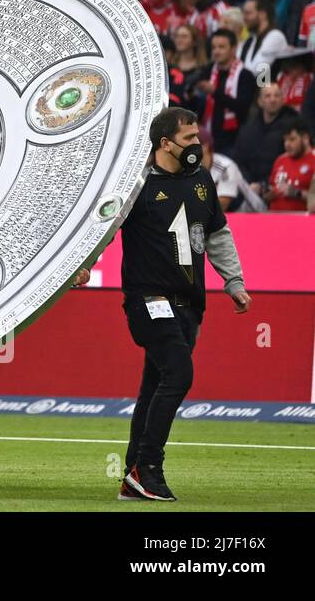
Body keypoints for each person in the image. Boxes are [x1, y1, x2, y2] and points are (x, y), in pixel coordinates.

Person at [104, 107, 250, 501]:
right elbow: (104, 229)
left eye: (197, 137)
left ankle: (132, 477)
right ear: (165, 144)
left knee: (154, 385)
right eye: (189, 139)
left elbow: (217, 233)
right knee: (179, 374)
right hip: (148, 298)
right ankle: (148, 468)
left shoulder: (202, 179)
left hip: (190, 303)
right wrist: (83, 266)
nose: (197, 145)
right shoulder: (137, 185)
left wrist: (234, 281)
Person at [264, 119, 315, 211]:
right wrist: (266, 193)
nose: (287, 144)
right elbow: (272, 188)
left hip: (301, 217)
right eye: (285, 140)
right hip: (273, 216)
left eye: (292, 139)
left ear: (305, 138)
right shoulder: (280, 160)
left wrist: (297, 193)